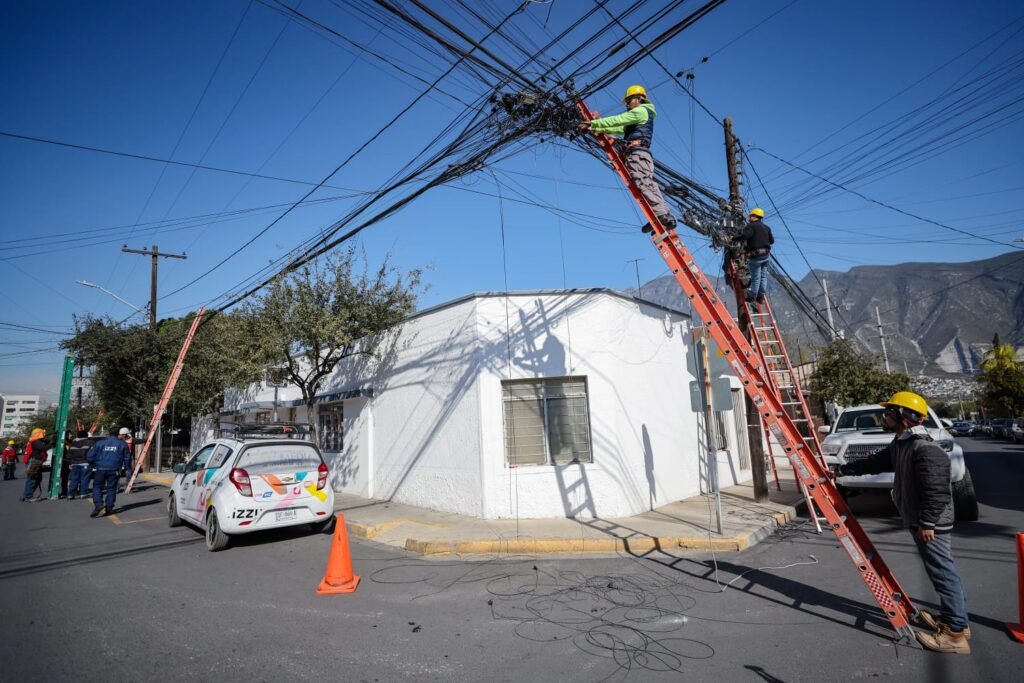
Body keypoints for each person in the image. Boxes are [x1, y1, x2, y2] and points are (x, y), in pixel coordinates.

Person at [836, 391, 971, 655]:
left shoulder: (925, 449)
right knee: (940, 572)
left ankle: (955, 634)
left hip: (931, 523)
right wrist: (843, 469)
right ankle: (955, 621)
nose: (883, 417)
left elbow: (937, 492)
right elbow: (877, 462)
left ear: (905, 417)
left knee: (943, 573)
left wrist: (928, 523)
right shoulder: (901, 443)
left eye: (889, 413)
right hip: (922, 519)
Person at [578, 84, 677, 234]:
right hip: (641, 153)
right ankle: (663, 214)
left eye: (629, 100)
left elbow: (619, 120)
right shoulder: (640, 117)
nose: (627, 104)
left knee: (642, 182)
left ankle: (661, 214)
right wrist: (595, 127)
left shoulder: (641, 111)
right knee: (648, 184)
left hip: (637, 153)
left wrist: (593, 123)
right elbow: (616, 128)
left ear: (639, 99)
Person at [85, 427, 132, 517]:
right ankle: (109, 508)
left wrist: (94, 464)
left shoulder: (99, 443)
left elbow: (90, 456)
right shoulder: (122, 444)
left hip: (100, 469)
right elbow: (127, 458)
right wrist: (127, 469)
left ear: (108, 435)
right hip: (114, 470)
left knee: (97, 487)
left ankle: (99, 504)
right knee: (111, 489)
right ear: (118, 434)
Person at [740, 208, 774, 303]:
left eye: (750, 216)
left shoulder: (751, 226)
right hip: (766, 256)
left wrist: (734, 238)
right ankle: (761, 296)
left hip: (755, 257)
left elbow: (745, 236)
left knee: (756, 277)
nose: (749, 217)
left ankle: (752, 295)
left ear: (754, 217)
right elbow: (772, 241)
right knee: (763, 277)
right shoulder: (767, 228)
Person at [21, 428, 49, 501]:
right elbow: (44, 448)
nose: (44, 434)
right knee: (32, 479)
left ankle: (26, 495)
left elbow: (44, 443)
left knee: (36, 479)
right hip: (34, 462)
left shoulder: (35, 441)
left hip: (35, 462)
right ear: (38, 434)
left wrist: (49, 440)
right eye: (42, 433)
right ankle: (28, 496)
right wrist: (52, 442)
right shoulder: (34, 441)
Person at [66, 431, 93, 499]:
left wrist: (70, 463)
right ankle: (83, 494)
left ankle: (70, 494)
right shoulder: (89, 442)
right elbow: (93, 453)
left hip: (74, 464)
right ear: (86, 436)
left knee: (74, 479)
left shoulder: (73, 443)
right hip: (86, 463)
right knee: (84, 479)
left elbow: (68, 454)